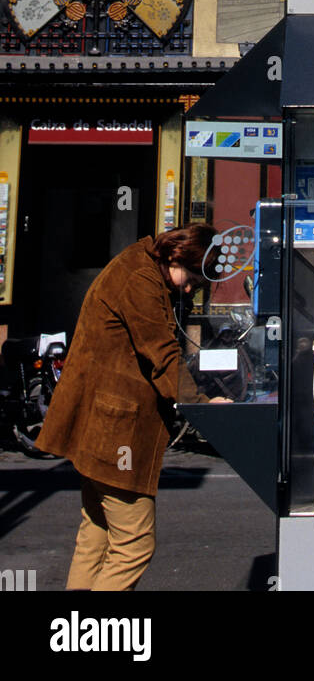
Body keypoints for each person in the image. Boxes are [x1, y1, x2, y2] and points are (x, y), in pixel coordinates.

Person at [37, 223, 227, 590]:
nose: (189, 290)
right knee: (134, 544)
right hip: (115, 432)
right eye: (192, 279)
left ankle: (76, 636)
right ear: (176, 256)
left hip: (98, 426)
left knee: (96, 536)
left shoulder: (139, 266)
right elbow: (163, 353)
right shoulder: (140, 279)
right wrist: (201, 403)